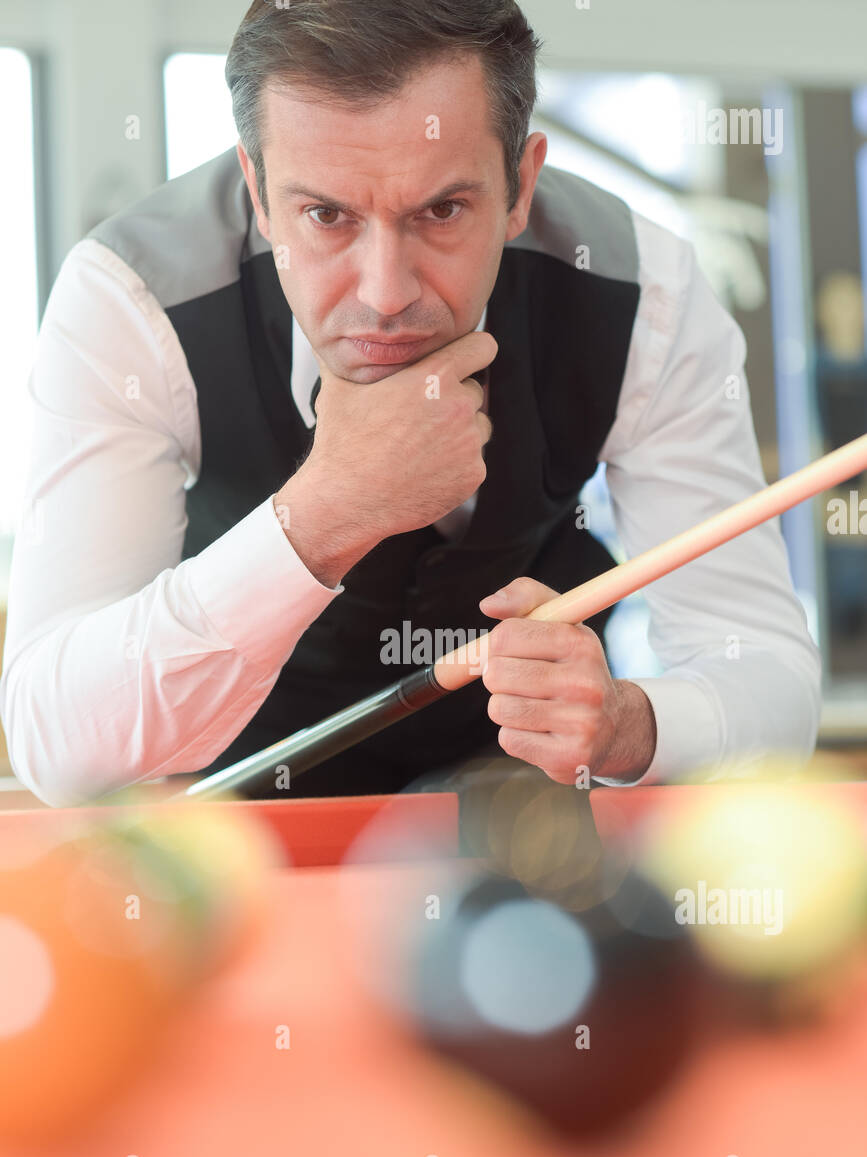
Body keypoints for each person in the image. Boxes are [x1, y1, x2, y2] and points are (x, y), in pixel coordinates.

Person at [0, 0, 820, 806]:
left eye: (441, 210)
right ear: (257, 190)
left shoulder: (647, 295)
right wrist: (324, 513)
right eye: (325, 215)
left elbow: (766, 678)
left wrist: (627, 726)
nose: (385, 295)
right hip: (230, 855)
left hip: (526, 856)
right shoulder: (131, 299)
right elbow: (57, 743)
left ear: (520, 183)